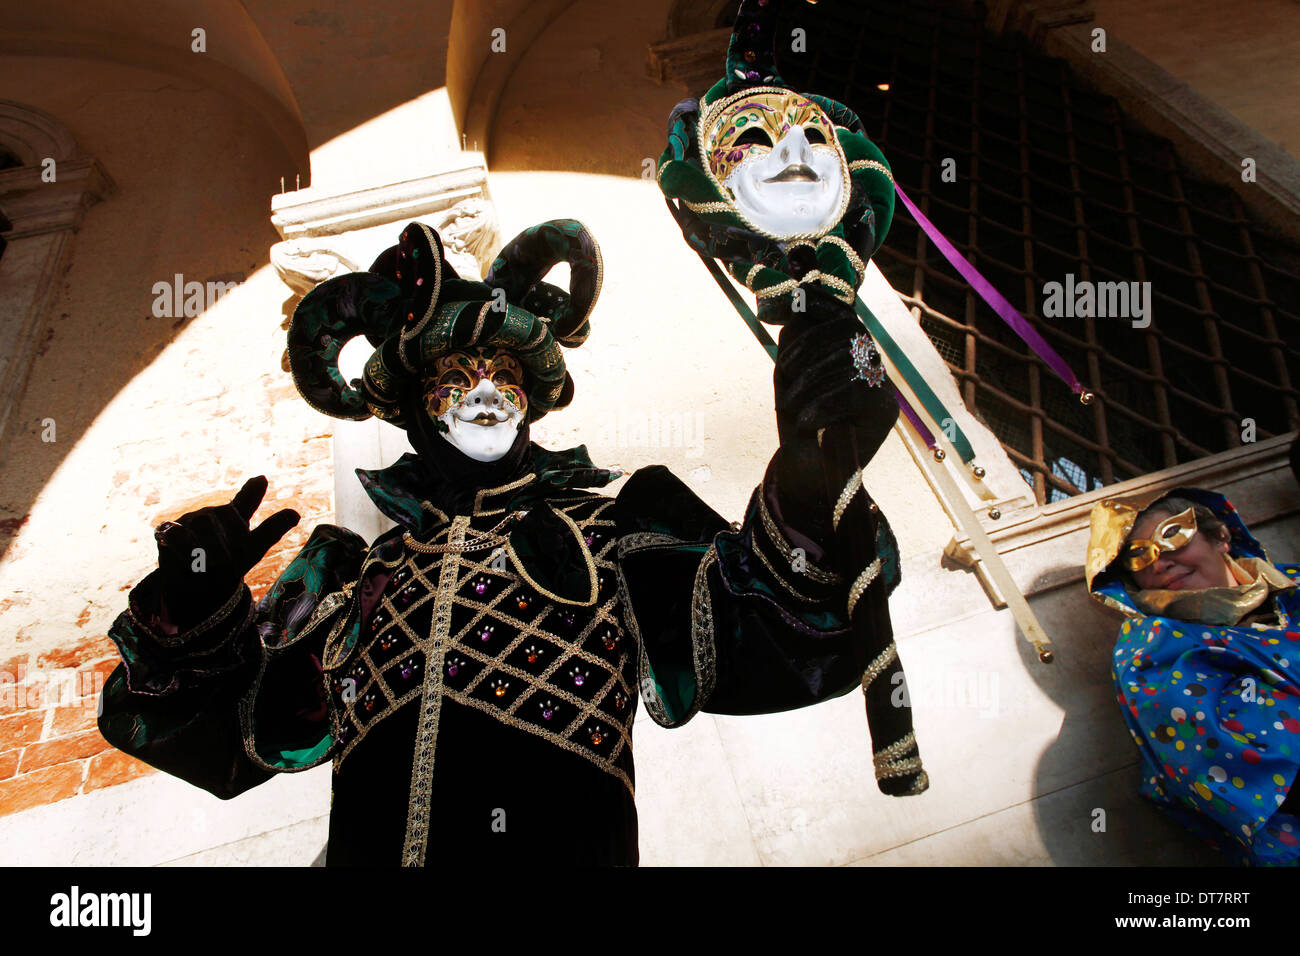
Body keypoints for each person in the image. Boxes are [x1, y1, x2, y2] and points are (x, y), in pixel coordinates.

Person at [1085, 488, 1300, 865]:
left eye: (1172, 537)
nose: (1160, 563)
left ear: (1220, 537)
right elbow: (1226, 766)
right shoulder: (1155, 650)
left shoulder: (1294, 588)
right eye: (1138, 557)